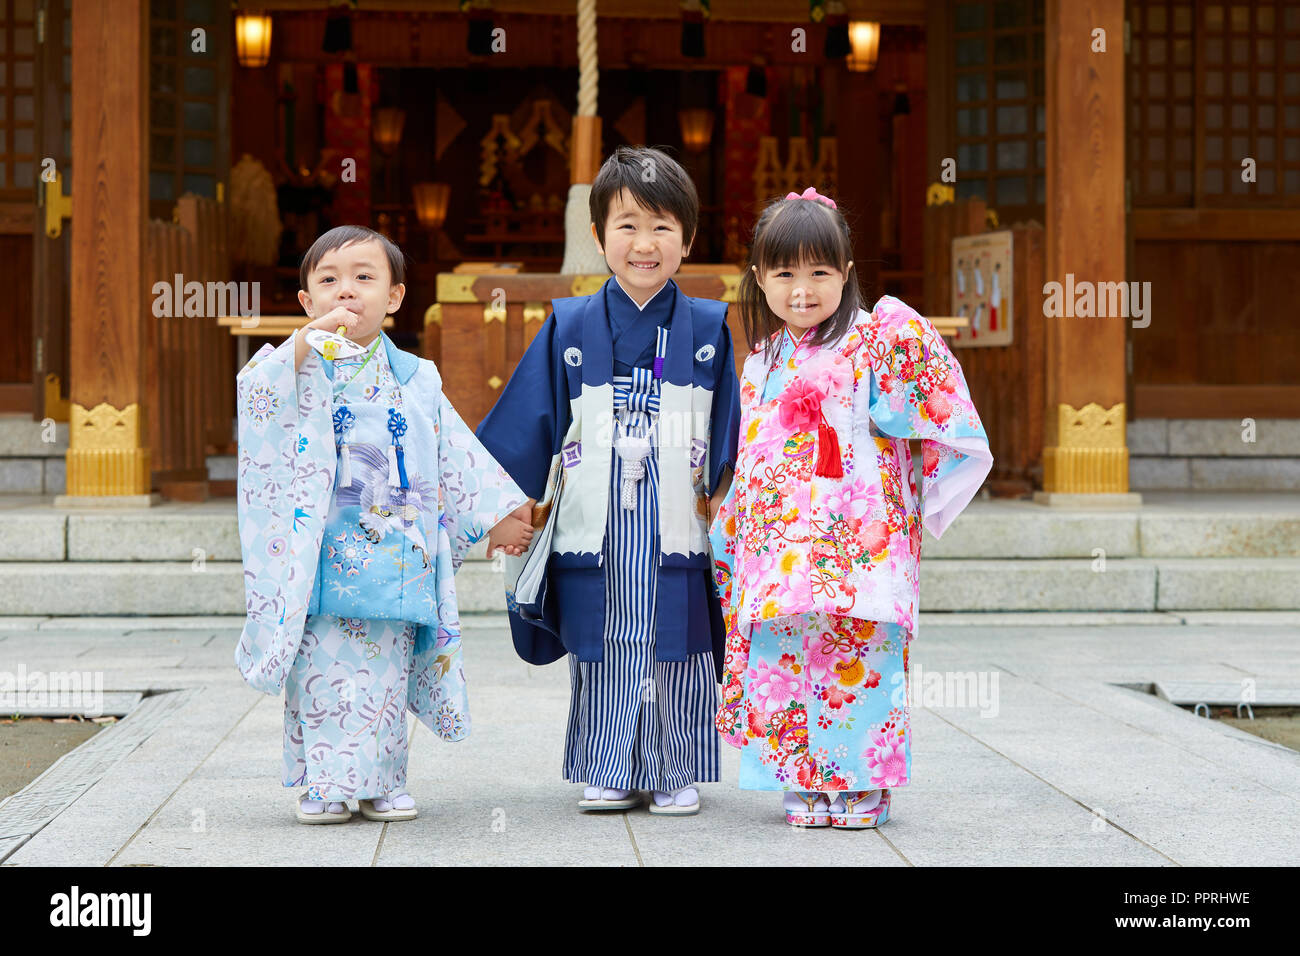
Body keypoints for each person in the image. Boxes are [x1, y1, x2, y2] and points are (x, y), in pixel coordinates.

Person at [710, 187, 993, 828]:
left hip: (859, 539)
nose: (801, 289)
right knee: (784, 659)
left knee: (856, 657)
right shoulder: (760, 361)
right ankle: (802, 781)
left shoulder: (878, 338)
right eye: (783, 272)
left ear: (847, 274)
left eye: (819, 271)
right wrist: (736, 530)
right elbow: (754, 455)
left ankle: (861, 785)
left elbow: (920, 410)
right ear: (759, 276)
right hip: (781, 543)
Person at [234, 225, 534, 824]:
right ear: (305, 301)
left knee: (385, 672)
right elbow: (255, 401)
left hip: (397, 551)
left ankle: (383, 781)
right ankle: (323, 784)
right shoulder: (293, 369)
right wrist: (301, 346)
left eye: (364, 278)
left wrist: (498, 514)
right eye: (328, 281)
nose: (346, 292)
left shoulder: (417, 376)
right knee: (321, 667)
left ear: (394, 297)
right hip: (321, 548)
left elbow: (452, 448)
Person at [476, 146, 741, 815]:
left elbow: (737, 434)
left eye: (661, 227)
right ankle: (608, 764)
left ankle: (675, 767)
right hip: (596, 512)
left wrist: (737, 501)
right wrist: (505, 508)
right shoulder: (568, 324)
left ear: (688, 239)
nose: (644, 243)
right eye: (626, 226)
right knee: (607, 631)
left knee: (676, 637)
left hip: (676, 509)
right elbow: (528, 421)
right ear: (597, 237)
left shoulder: (711, 326)